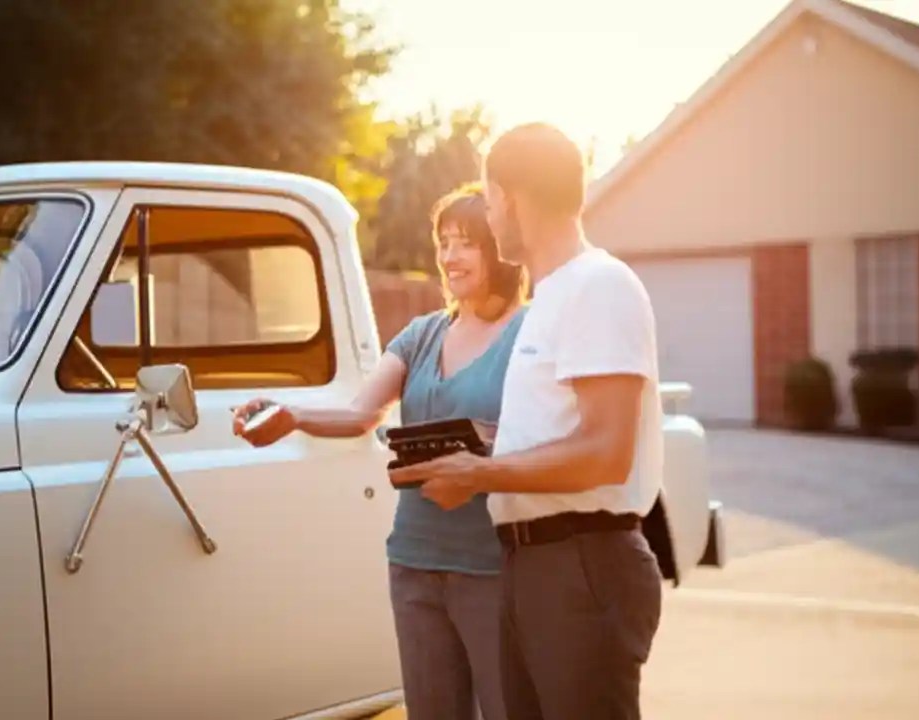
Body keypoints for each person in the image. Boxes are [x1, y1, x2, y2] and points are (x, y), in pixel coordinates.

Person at [389, 123, 665, 719]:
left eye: (488, 202)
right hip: (526, 563)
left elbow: (606, 450)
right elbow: (554, 436)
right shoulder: (549, 301)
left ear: (512, 198)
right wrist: (476, 461)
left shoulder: (600, 284)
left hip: (583, 564)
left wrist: (476, 474)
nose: (489, 219)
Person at [232, 184, 528, 720]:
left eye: (466, 243)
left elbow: (545, 434)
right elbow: (360, 414)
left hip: (492, 565)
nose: (450, 256)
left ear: (498, 249)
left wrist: (490, 444)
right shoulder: (421, 334)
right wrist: (292, 413)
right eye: (443, 242)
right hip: (414, 560)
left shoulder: (531, 333)